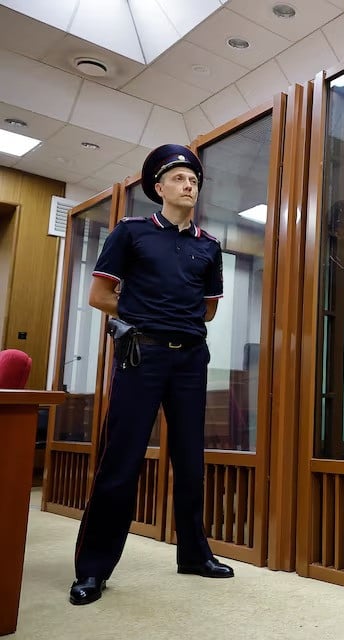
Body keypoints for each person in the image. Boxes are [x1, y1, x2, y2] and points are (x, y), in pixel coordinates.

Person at [69, 144, 233, 606]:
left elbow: (208, 312)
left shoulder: (209, 246)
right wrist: (144, 312)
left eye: (194, 181)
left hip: (190, 360)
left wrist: (170, 316)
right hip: (141, 355)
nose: (189, 186)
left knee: (191, 461)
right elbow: (100, 295)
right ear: (158, 188)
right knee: (121, 461)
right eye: (179, 179)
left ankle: (194, 555)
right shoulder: (132, 232)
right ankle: (93, 570)